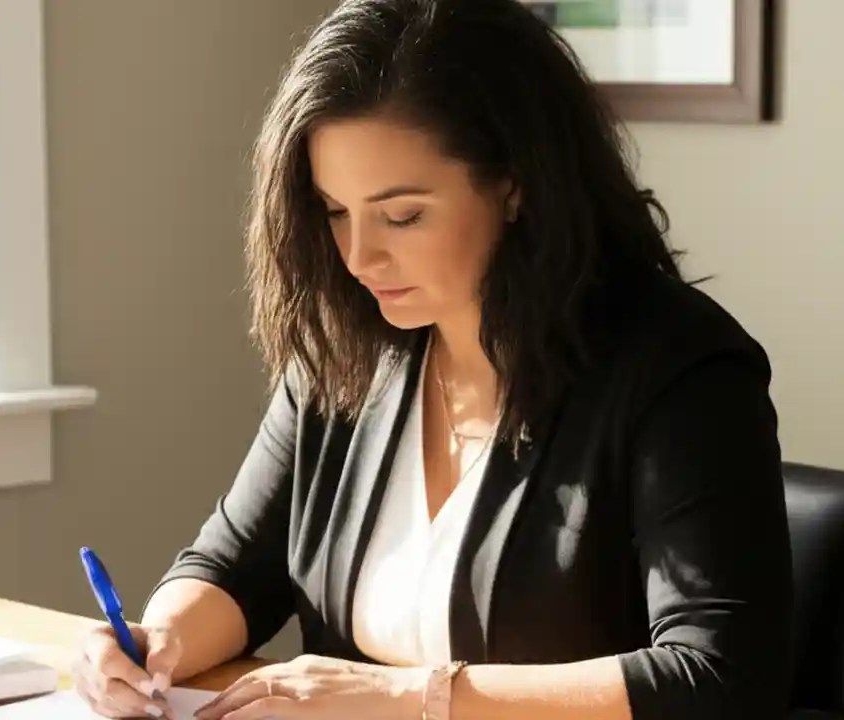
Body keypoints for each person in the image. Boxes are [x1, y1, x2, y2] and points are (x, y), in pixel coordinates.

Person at [72, 0, 792, 718]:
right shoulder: (346, 349)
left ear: (514, 184)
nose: (359, 257)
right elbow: (233, 566)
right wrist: (153, 643)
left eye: (403, 215)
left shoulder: (680, 368)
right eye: (335, 210)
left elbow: (719, 676)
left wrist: (410, 697)